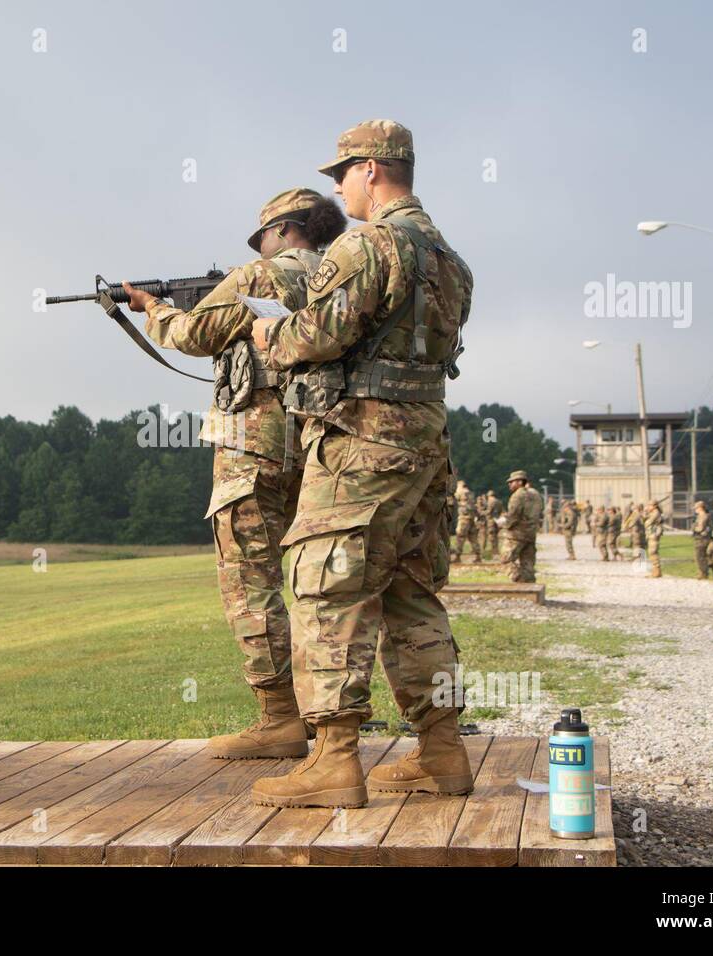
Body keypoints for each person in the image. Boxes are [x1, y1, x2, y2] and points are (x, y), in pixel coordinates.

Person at [248, 119, 475, 808]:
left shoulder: (366, 247)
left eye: (343, 171)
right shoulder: (450, 258)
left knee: (328, 587)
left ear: (373, 168)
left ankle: (335, 760)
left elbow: (321, 335)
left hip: (361, 446)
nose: (339, 184)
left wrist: (269, 333)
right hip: (425, 447)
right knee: (410, 593)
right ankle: (442, 751)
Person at [125, 187, 346, 759]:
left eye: (264, 236)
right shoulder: (343, 276)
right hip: (326, 447)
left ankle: (279, 718)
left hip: (255, 447)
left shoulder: (257, 276)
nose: (261, 246)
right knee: (320, 585)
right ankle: (331, 713)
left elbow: (191, 335)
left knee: (250, 579)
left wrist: (154, 309)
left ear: (285, 231)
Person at [501, 470, 543, 582]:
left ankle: (518, 578)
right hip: (531, 534)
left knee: (506, 560)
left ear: (520, 482)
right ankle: (529, 585)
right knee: (528, 564)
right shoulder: (536, 494)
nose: (509, 484)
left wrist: (505, 525)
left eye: (512, 482)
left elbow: (513, 515)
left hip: (516, 535)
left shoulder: (517, 495)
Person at [453, 480, 482, 564]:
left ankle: (457, 556)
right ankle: (478, 556)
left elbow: (454, 498)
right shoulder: (470, 493)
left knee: (460, 537)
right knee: (473, 538)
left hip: (464, 518)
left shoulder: (461, 492)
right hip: (471, 518)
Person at [692, 500, 713, 579]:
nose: (695, 510)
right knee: (699, 556)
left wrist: (694, 528)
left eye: (696, 508)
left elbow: (700, 528)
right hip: (701, 538)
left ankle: (703, 573)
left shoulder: (703, 516)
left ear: (700, 508)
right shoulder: (702, 516)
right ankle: (702, 572)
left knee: (700, 556)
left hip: (702, 538)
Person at [644, 500, 664, 577]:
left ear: (655, 506)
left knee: (653, 552)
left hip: (654, 534)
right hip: (651, 534)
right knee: (651, 553)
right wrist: (646, 512)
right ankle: (655, 571)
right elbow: (644, 518)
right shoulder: (653, 513)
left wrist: (647, 516)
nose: (648, 507)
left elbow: (647, 523)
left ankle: (657, 572)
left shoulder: (656, 513)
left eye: (650, 505)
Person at [484, 489, 502, 560]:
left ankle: (494, 554)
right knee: (495, 537)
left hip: (490, 521)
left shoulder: (491, 501)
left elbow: (489, 511)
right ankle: (495, 552)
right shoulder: (498, 501)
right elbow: (500, 510)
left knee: (492, 538)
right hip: (496, 520)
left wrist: (481, 512)